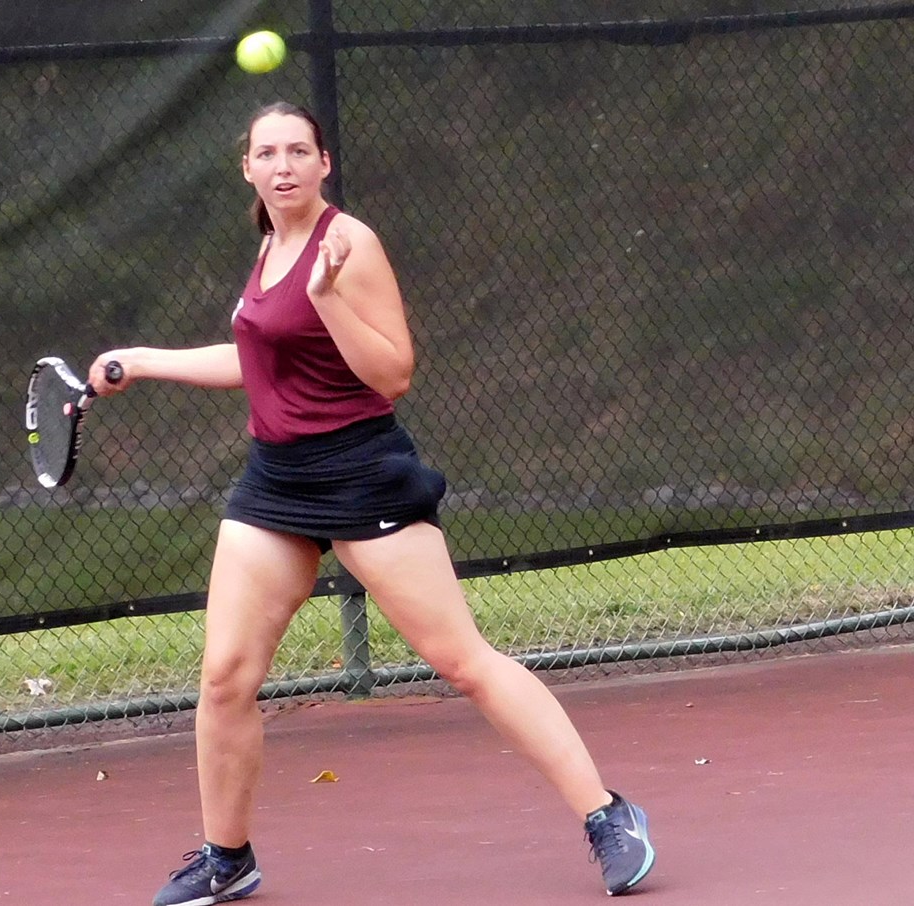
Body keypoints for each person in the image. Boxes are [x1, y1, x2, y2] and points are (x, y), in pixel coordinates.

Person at [85, 101, 656, 905]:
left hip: (362, 470)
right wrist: (142, 359)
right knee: (224, 679)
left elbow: (392, 373)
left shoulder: (348, 246)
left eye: (298, 152)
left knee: (462, 663)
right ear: (246, 169)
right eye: (266, 154)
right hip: (275, 481)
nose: (282, 166)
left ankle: (607, 814)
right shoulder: (269, 244)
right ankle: (228, 856)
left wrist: (326, 297)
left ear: (324, 164)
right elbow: (260, 361)